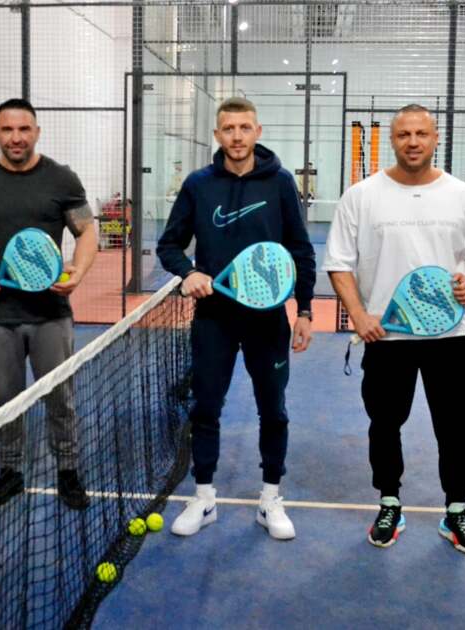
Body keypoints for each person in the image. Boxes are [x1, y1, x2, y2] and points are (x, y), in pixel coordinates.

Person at [322, 104, 465, 555]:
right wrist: (359, 317)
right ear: (392, 139)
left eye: (421, 133)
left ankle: (456, 510)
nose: (413, 141)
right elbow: (339, 264)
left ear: (436, 138)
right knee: (384, 424)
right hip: (386, 338)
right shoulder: (361, 196)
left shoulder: (464, 196)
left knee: (456, 427)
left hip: (451, 338)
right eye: (403, 134)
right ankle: (389, 502)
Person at [156, 96, 316, 540]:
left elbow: (301, 250)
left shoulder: (281, 183)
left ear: (257, 132)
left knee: (274, 410)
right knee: (206, 406)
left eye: (245, 128)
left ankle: (270, 498)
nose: (237, 136)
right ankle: (204, 496)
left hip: (268, 321)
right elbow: (169, 245)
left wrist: (304, 309)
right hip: (214, 318)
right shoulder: (198, 184)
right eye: (229, 129)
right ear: (217, 135)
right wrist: (188, 273)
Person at [0, 98, 97, 511]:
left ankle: (68, 471)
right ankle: (11, 472)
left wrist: (78, 274)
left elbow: (87, 231)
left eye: (24, 129)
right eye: (8, 130)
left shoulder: (61, 179)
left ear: (36, 132)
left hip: (51, 313)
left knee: (60, 398)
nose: (16, 137)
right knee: (6, 399)